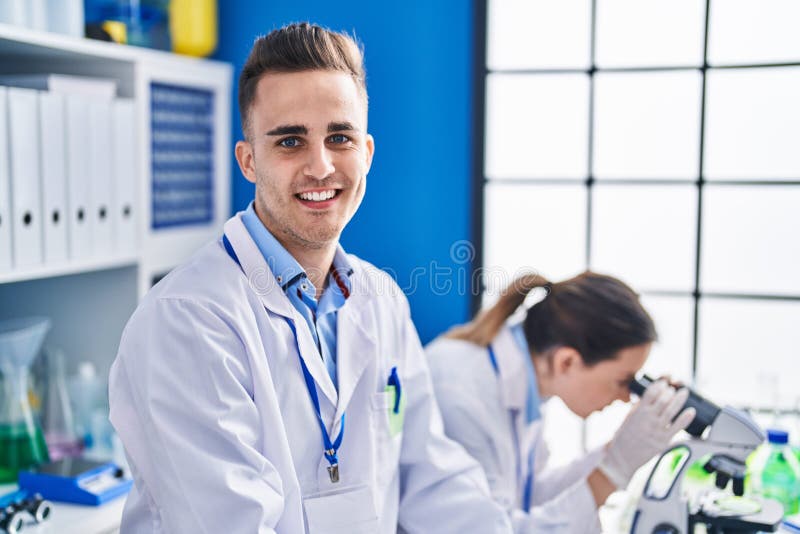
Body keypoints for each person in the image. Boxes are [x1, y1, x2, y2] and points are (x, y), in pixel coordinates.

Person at [108, 23, 513, 533]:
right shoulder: (187, 321)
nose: (320, 167)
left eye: (339, 137)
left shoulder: (381, 300)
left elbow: (429, 475)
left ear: (366, 153)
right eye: (290, 141)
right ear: (249, 161)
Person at [425, 271, 696, 532]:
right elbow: (493, 528)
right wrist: (613, 472)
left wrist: (619, 448)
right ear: (566, 362)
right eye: (622, 380)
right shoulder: (460, 393)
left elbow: (532, 496)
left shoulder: (527, 385)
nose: (626, 397)